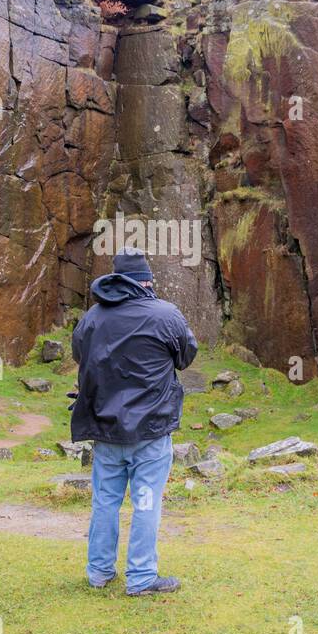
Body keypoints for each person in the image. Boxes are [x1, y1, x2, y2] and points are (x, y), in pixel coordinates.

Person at [71, 249, 198, 596]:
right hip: (150, 431)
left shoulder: (92, 318)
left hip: (105, 429)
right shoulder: (165, 315)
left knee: (105, 501)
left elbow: (80, 355)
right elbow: (186, 356)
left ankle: (99, 572)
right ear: (146, 281)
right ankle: (141, 577)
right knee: (145, 502)